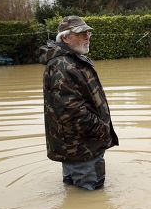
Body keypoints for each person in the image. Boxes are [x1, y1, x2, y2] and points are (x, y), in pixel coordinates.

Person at [40, 16, 119, 190]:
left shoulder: (70, 60)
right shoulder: (64, 65)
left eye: (88, 33)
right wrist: (101, 130)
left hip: (75, 146)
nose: (87, 37)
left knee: (75, 194)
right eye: (81, 33)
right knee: (93, 203)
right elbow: (72, 111)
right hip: (83, 147)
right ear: (65, 38)